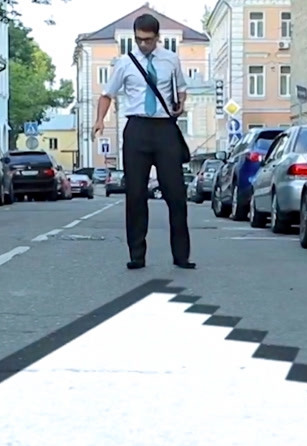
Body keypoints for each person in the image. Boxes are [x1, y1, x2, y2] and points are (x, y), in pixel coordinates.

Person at [94, 13, 195, 270]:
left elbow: (181, 88)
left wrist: (180, 103)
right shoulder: (125, 63)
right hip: (137, 129)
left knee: (175, 194)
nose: (142, 44)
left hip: (164, 129)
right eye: (138, 39)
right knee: (136, 194)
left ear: (157, 37)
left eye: (148, 40)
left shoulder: (171, 59)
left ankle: (181, 256)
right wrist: (100, 120)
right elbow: (107, 94)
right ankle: (137, 255)